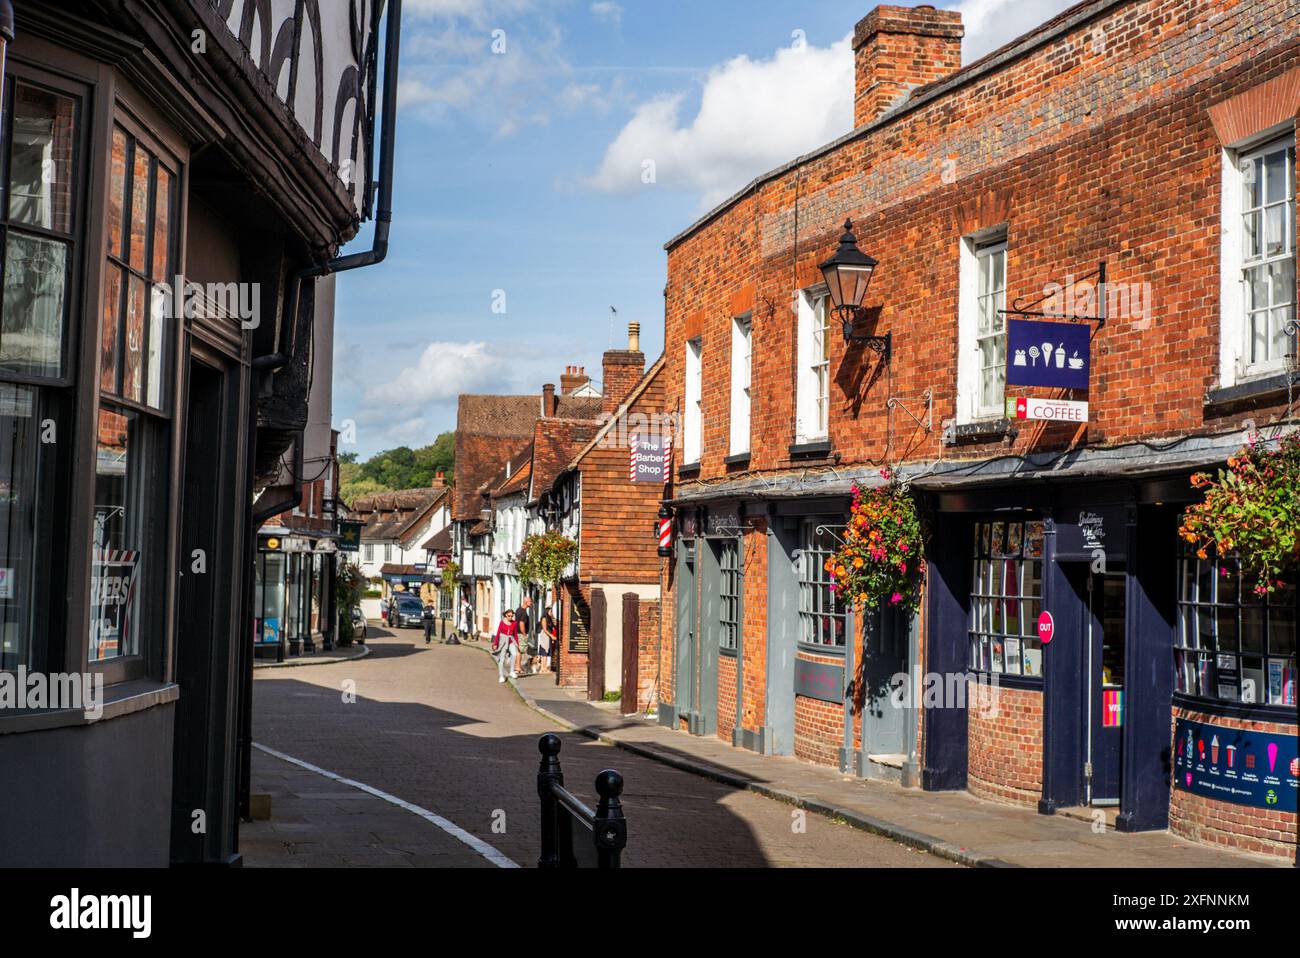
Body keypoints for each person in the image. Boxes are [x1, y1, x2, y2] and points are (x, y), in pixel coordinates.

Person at [493, 608, 519, 683]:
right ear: (505, 615)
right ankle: (501, 676)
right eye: (509, 616)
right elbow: (498, 633)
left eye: (512, 616)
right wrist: (495, 643)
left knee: (514, 654)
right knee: (502, 659)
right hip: (503, 641)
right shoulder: (502, 622)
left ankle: (511, 671)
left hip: (511, 640)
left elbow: (515, 634)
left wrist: (517, 644)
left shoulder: (514, 623)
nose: (510, 617)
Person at [514, 596, 533, 673]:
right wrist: (524, 634)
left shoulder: (518, 610)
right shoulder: (524, 613)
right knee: (520, 651)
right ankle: (518, 667)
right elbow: (521, 624)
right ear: (526, 602)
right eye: (530, 601)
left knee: (518, 650)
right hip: (520, 634)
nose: (531, 603)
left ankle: (516, 666)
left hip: (516, 633)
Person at [535, 610, 557, 675]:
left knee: (546, 652)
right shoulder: (544, 618)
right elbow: (544, 629)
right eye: (551, 611)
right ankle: (542, 668)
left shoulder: (550, 618)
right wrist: (551, 636)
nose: (552, 613)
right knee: (544, 651)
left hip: (548, 636)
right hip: (545, 636)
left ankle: (544, 668)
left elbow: (554, 626)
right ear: (547, 611)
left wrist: (554, 619)